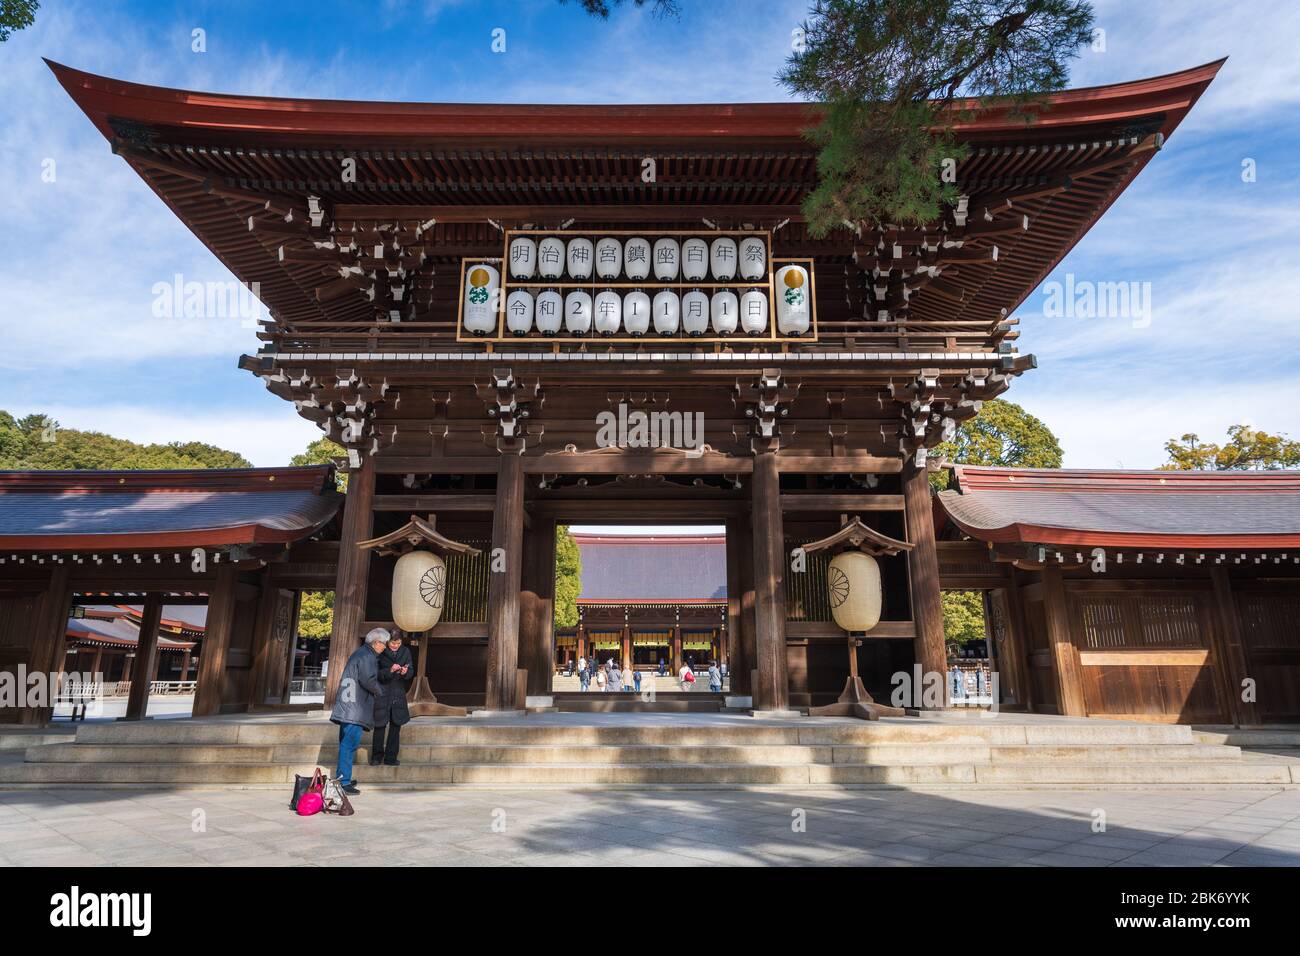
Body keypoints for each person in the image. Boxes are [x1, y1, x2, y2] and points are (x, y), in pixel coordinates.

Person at [329, 628, 387, 795]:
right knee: (349, 744)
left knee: (346, 744)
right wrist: (380, 692)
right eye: (383, 644)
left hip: (349, 706)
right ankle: (343, 781)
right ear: (376, 643)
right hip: (354, 708)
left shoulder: (360, 653)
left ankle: (343, 777)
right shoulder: (367, 656)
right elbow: (368, 679)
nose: (384, 647)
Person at [370, 631, 413, 767]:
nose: (395, 646)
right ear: (387, 642)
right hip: (383, 692)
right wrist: (390, 670)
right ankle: (376, 757)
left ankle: (391, 757)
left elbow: (411, 670)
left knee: (396, 726)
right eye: (393, 643)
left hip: (398, 693)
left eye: (398, 643)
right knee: (380, 725)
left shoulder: (405, 651)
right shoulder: (381, 651)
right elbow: (375, 673)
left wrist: (406, 672)